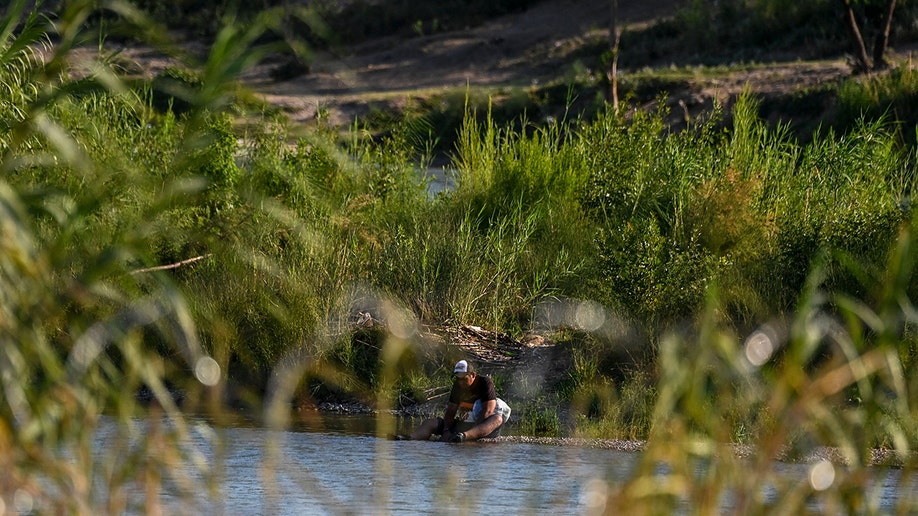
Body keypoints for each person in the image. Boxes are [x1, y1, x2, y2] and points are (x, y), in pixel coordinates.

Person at [397, 359, 511, 442]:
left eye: (463, 378)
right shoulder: (457, 386)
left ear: (472, 375)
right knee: (429, 423)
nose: (460, 382)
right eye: (458, 378)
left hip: (481, 426)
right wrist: (447, 431)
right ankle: (409, 438)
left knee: (497, 418)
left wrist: (471, 432)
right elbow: (450, 412)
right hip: (463, 426)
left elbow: (488, 411)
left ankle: (464, 436)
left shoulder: (484, 382)